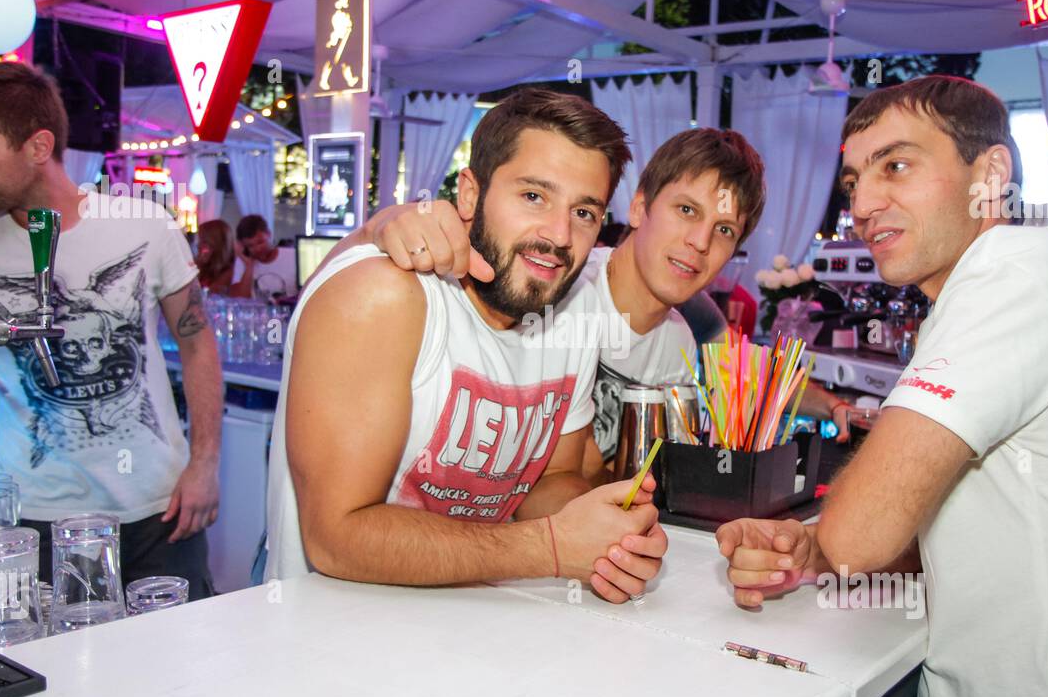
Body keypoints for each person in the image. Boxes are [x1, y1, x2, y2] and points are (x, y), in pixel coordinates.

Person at [714, 75, 1048, 697]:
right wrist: (808, 553)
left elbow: (861, 535)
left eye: (895, 166)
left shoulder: (1018, 270)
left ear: (990, 175)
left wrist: (835, 541)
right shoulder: (1007, 286)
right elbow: (959, 531)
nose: (863, 205)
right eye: (852, 181)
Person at [265, 88, 668, 604]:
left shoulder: (577, 306)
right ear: (472, 195)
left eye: (584, 213)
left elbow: (555, 475)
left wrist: (606, 532)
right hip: (331, 647)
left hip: (472, 637)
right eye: (534, 196)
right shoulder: (385, 295)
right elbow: (335, 537)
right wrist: (549, 546)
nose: (559, 234)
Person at [358, 129, 856, 464]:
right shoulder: (554, 284)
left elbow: (749, 377)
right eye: (685, 210)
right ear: (639, 207)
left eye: (723, 229)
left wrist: (836, 406)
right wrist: (387, 221)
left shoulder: (683, 341)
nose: (700, 242)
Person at [0, 62, 221, 598]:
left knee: (179, 669)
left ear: (38, 147)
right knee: (55, 673)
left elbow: (198, 343)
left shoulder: (143, 225)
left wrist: (204, 465)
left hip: (160, 507)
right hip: (32, 512)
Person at [229, 213, 295, 300]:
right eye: (250, 246)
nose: (257, 249)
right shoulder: (242, 263)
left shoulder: (293, 256)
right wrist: (249, 267)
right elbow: (240, 300)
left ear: (269, 234)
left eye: (260, 242)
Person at [195, 219, 235, 295]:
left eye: (204, 242)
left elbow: (206, 295)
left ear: (216, 244)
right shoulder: (204, 267)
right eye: (200, 241)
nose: (198, 246)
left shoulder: (230, 272)